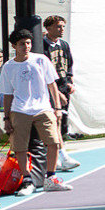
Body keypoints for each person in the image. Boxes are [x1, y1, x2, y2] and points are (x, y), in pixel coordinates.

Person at [0, 28, 73, 191]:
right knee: (20, 147)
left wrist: (57, 108)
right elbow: (7, 94)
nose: (26, 46)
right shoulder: (8, 67)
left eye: (28, 43)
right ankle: (27, 180)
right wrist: (6, 118)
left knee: (53, 142)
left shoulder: (41, 60)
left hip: (43, 108)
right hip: (20, 110)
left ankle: (51, 177)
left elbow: (51, 84)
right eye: (22, 44)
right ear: (14, 46)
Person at [41, 15, 81, 172]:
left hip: (64, 86)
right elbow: (44, 73)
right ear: (48, 28)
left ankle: (56, 155)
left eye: (63, 26)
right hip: (51, 89)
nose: (61, 29)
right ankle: (60, 155)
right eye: (58, 26)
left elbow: (69, 64)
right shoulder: (43, 47)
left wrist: (69, 81)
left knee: (61, 123)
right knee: (54, 122)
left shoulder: (64, 45)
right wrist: (56, 92)